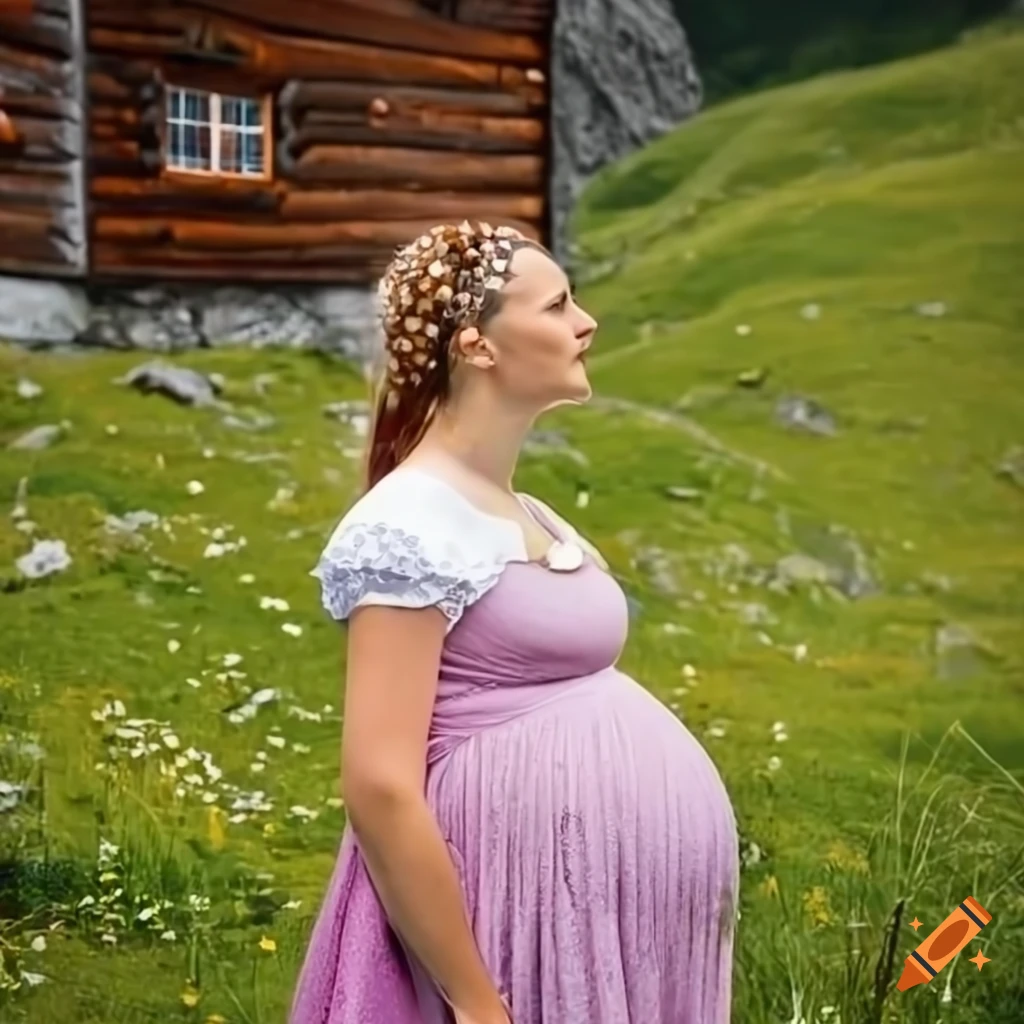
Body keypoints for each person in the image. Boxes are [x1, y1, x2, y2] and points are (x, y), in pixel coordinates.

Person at [289, 221, 738, 1024]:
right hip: (507, 921)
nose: (586, 321)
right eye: (559, 303)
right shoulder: (408, 524)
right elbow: (381, 783)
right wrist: (474, 999)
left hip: (592, 921)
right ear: (479, 346)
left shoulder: (524, 509)